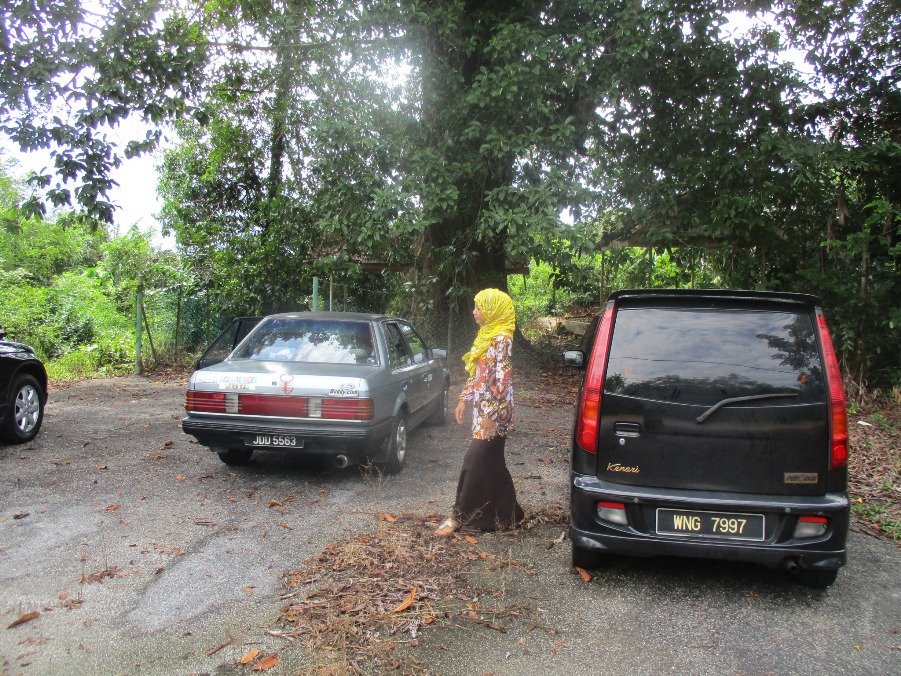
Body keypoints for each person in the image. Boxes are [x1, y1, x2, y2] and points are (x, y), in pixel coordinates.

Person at [436, 288, 525, 536]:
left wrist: (491, 414)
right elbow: (478, 374)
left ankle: (458, 516)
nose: (474, 312)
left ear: (492, 310)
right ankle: (511, 515)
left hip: (495, 411)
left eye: (478, 307)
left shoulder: (502, 339)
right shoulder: (486, 335)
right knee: (493, 463)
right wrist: (464, 399)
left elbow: (502, 380)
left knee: (473, 460)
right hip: (484, 408)